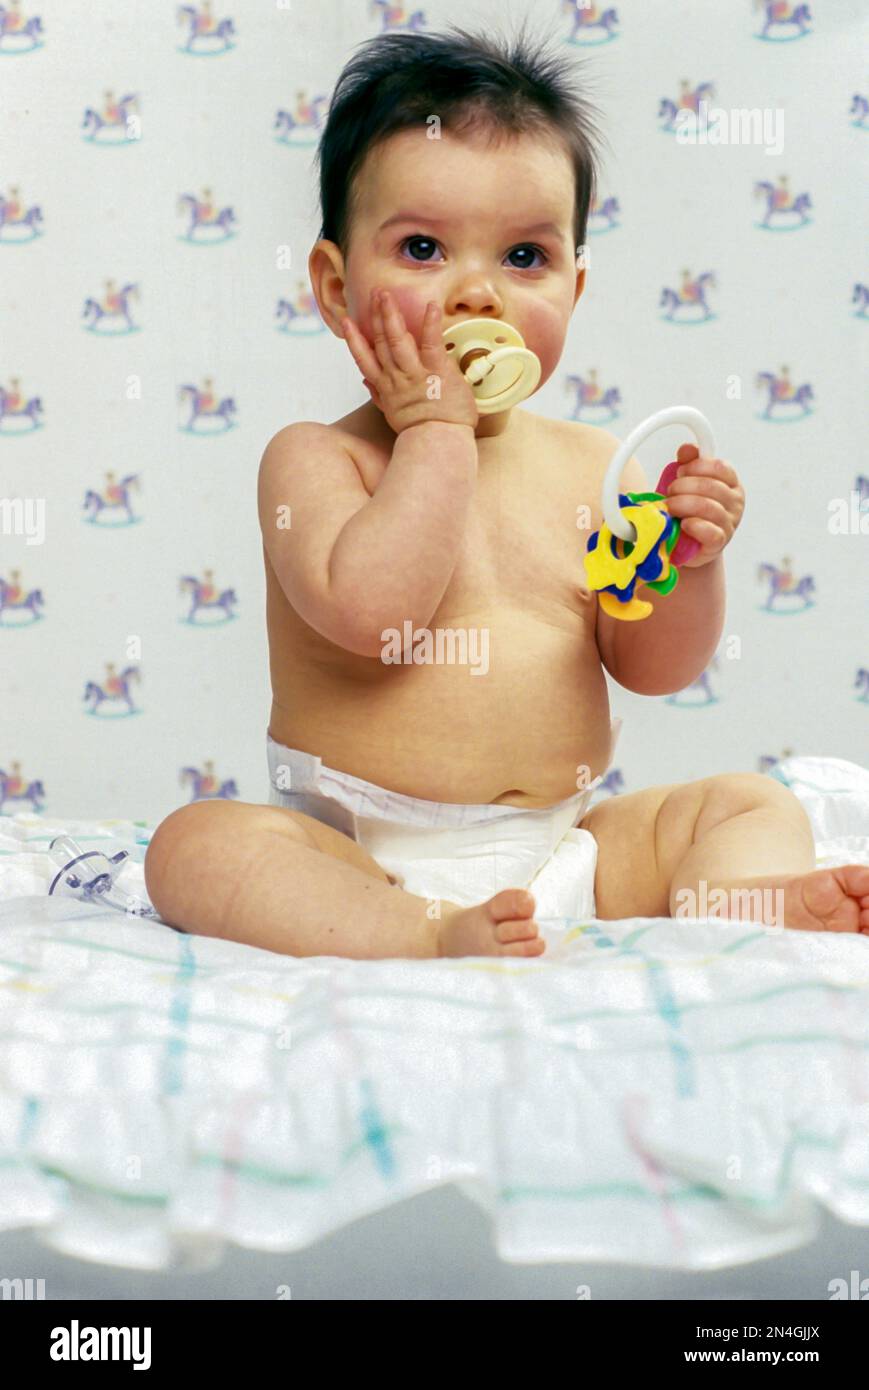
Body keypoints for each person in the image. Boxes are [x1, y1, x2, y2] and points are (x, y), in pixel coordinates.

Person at [144, 24, 869, 957]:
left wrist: (688, 565)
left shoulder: (587, 463)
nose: (476, 295)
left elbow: (648, 666)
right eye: (421, 248)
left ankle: (740, 904)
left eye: (523, 259)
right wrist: (437, 435)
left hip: (564, 848)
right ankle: (421, 938)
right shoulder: (318, 462)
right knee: (197, 849)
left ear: (574, 286)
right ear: (334, 287)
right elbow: (372, 608)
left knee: (741, 802)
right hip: (367, 857)